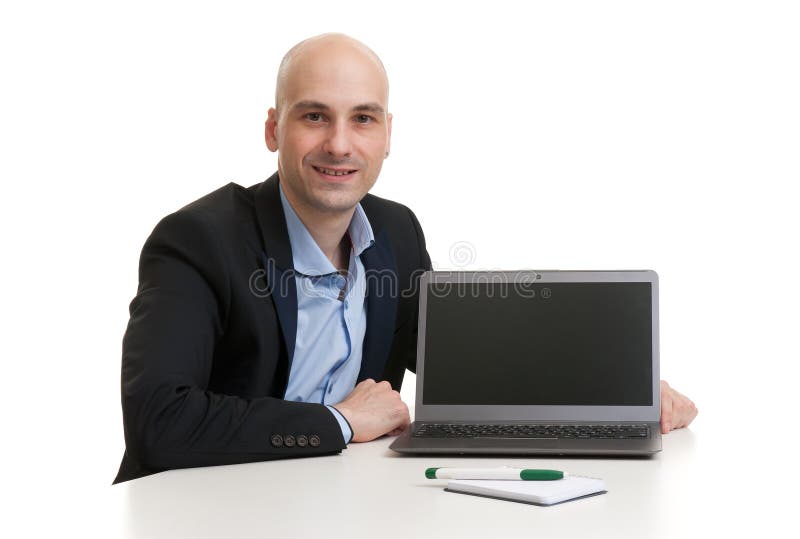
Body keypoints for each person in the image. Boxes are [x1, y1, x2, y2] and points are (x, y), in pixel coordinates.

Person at [114, 33, 697, 484]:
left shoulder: (394, 229)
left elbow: (464, 363)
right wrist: (341, 422)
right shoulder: (196, 241)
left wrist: (624, 393)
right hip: (202, 509)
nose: (340, 143)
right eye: (313, 115)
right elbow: (158, 424)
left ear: (387, 134)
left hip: (346, 501)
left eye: (362, 118)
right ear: (273, 128)